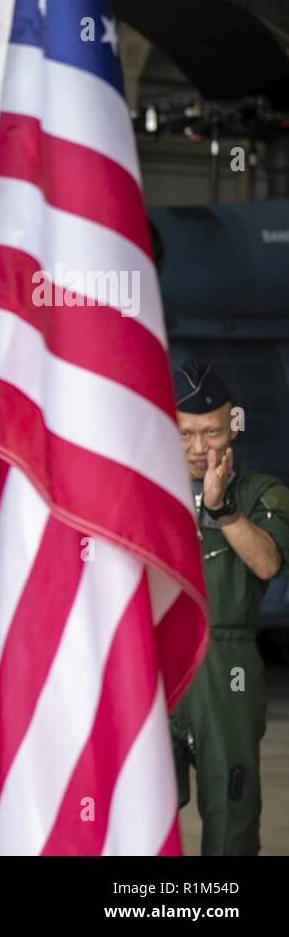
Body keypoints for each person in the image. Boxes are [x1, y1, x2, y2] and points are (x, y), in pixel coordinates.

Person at [169, 359, 289, 855]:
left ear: (232, 425)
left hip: (227, 664)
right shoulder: (148, 494)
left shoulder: (262, 492)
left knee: (231, 812)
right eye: (187, 433)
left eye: (213, 432)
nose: (200, 448)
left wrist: (222, 509)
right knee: (137, 804)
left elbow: (266, 564)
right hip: (156, 658)